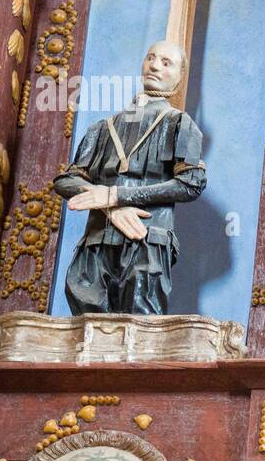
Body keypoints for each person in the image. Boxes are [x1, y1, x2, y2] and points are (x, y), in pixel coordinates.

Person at [53, 40, 206, 315]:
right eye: (151, 58)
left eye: (166, 62)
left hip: (147, 241)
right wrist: (111, 208)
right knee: (86, 327)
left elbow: (191, 184)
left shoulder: (180, 124)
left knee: (139, 327)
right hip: (96, 243)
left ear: (180, 76)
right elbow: (65, 180)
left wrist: (116, 195)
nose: (155, 65)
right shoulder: (102, 128)